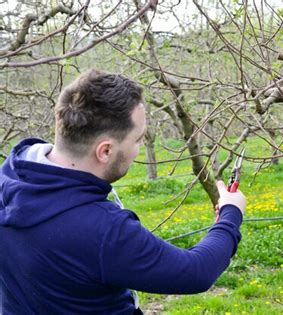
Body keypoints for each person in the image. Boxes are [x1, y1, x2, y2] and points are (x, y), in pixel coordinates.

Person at [0, 69, 246, 314]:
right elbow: (196, 272)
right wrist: (230, 215)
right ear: (105, 151)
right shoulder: (102, 230)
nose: (140, 148)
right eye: (138, 139)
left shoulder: (10, 176)